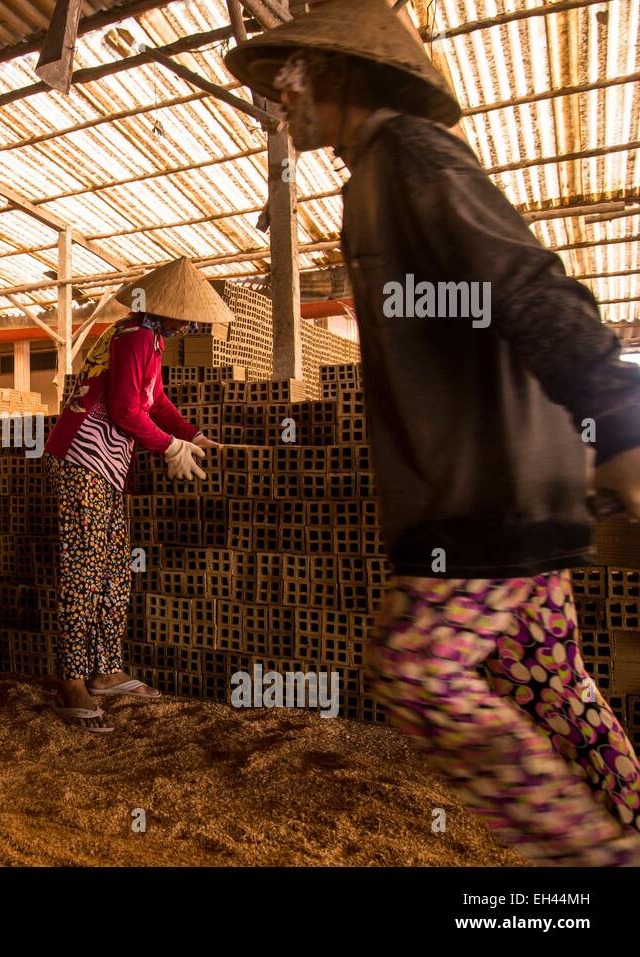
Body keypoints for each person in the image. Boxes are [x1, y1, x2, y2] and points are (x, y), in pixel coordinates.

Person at [226, 0, 640, 864]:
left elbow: (521, 275)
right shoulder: (373, 172)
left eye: (294, 79)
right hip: (511, 485)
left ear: (338, 75)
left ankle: (594, 857)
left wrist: (619, 417)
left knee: (415, 668)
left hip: (488, 494)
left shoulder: (412, 154)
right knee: (554, 684)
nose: (283, 98)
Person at [42, 257, 228, 731]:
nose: (190, 322)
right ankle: (71, 680)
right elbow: (125, 410)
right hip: (83, 459)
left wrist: (193, 434)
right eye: (185, 314)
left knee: (112, 568)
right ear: (166, 309)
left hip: (107, 466)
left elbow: (154, 400)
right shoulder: (136, 337)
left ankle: (104, 669)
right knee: (85, 569)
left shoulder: (146, 337)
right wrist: (168, 446)